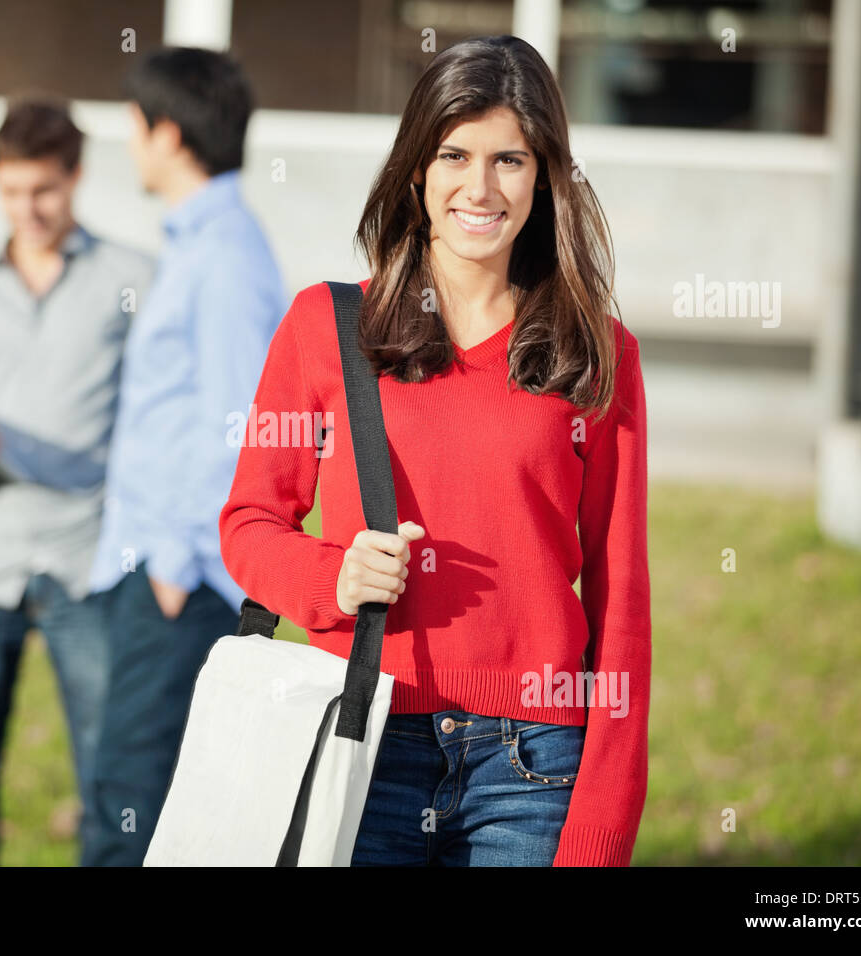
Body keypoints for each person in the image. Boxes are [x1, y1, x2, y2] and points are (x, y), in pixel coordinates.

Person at [219, 35, 651, 866]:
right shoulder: (326, 328)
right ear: (417, 169)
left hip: (534, 768)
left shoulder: (598, 353)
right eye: (454, 154)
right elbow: (247, 522)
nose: (479, 188)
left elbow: (622, 598)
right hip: (363, 735)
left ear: (547, 177)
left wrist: (602, 828)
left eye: (510, 160)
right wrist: (332, 579)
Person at [0, 98, 154, 866]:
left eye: (43, 190)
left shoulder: (133, 281)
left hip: (87, 561)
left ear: (74, 178)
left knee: (109, 771)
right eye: (12, 191)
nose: (28, 209)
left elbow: (160, 414)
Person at [82, 47, 287, 866]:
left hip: (181, 579)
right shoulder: (202, 240)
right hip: (158, 569)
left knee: (131, 802)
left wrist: (171, 560)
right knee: (129, 792)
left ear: (167, 134)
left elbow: (245, 427)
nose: (129, 145)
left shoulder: (226, 254)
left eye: (133, 127)